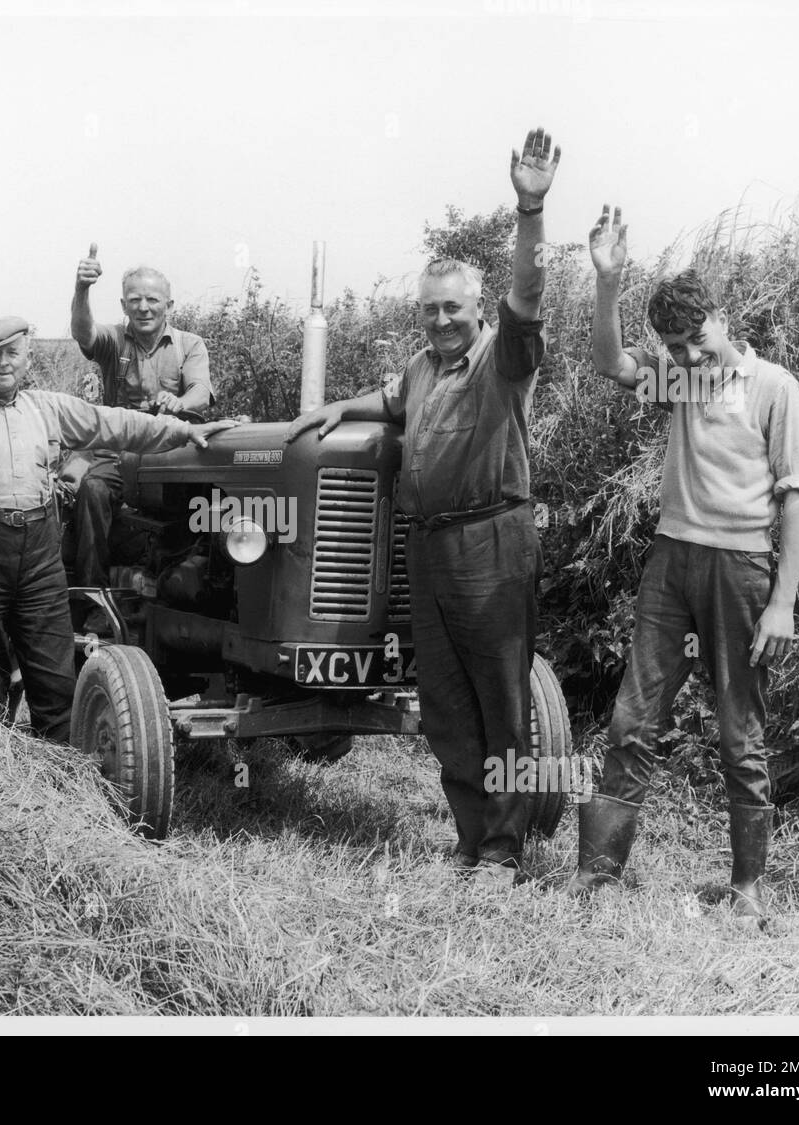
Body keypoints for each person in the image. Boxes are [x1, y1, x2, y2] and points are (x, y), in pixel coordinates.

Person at [285, 128, 562, 886]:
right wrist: (326, 412)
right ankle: (471, 840)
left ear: (477, 309)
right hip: (428, 547)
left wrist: (529, 208)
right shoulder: (421, 364)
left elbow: (530, 293)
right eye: (430, 309)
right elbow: (387, 399)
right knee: (442, 702)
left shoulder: (503, 358)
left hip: (491, 542)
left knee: (500, 700)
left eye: (452, 308)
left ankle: (506, 849)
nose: (441, 320)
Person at [566, 206, 799, 922]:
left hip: (742, 572)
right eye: (674, 346)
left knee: (740, 730)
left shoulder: (775, 387)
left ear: (723, 317)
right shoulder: (678, 382)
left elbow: (797, 497)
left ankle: (748, 889)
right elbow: (611, 363)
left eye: (697, 339)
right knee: (632, 716)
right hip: (672, 564)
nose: (690, 357)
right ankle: (600, 875)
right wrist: (608, 280)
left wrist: (783, 602)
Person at [0, 315, 235, 741]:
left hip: (37, 548)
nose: (3, 363)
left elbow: (116, 424)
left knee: (54, 671)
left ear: (27, 357)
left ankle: (62, 772)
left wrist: (183, 430)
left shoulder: (45, 407)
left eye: (12, 353)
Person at [68, 247, 213, 615]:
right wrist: (82, 288)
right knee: (93, 489)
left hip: (173, 449)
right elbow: (83, 331)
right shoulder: (113, 341)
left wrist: (182, 404)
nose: (144, 307)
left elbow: (200, 391)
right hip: (119, 452)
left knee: (210, 500)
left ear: (169, 304)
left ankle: (193, 587)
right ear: (123, 304)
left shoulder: (189, 344)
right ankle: (93, 603)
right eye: (135, 300)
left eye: (153, 300)